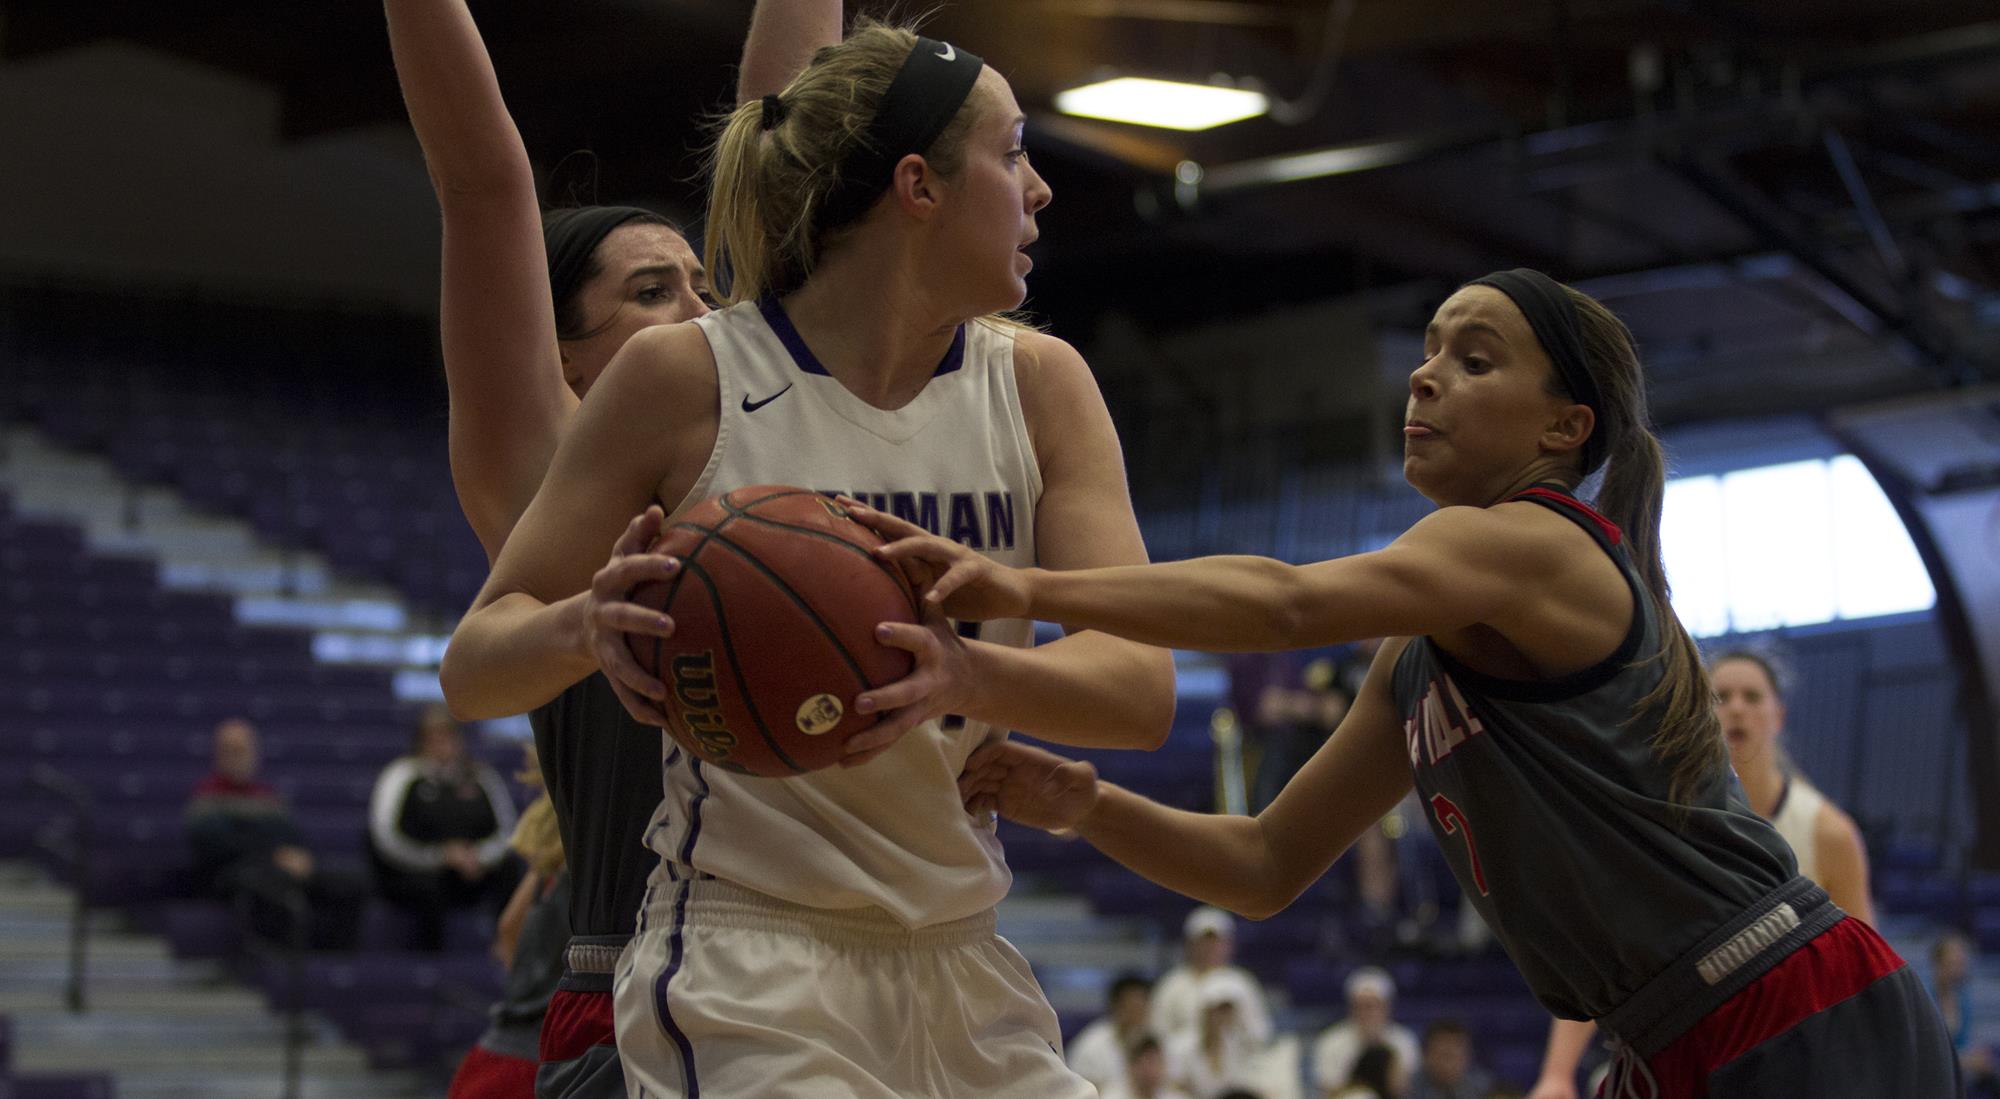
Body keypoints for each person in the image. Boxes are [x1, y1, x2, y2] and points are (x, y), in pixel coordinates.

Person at [882, 267, 1959, 1096]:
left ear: (1561, 429)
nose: (1424, 372)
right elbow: (1262, 863)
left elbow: (1284, 605)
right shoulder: (1418, 659)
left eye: (1475, 359)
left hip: (1782, 996)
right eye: (1428, 348)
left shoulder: (1533, 545)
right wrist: (1087, 804)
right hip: (1666, 1029)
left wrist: (1027, 583)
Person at [439, 20, 1177, 1097]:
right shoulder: (685, 379)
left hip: (963, 950)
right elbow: (473, 665)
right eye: (1013, 152)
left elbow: (1139, 690)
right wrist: (581, 627)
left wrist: (970, 673)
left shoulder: (1041, 385)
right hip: (749, 960)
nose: (1042, 189)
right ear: (917, 186)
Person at [384, 0, 837, 1091]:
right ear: (568, 366)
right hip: (636, 986)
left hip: (833, 976)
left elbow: (787, 139)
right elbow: (483, 184)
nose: (699, 307)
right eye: (649, 292)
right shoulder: (549, 481)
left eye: (701, 282)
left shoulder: (784, 435)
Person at [1524, 646, 1878, 1097]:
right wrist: (1556, 1074)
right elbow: (1613, 952)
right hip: (1684, 1047)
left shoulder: (1829, 833)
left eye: (1752, 697)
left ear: (1778, 716)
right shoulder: (1662, 819)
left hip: (1793, 1057)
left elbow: (1866, 975)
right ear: (1696, 711)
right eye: (1721, 696)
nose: (1736, 709)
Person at [446, 748, 572, 1099]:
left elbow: (506, 935)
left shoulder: (551, 856)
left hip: (503, 1057)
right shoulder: (595, 854)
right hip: (540, 1065)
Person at [183, 717, 363, 950]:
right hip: (237, 874)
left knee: (349, 884)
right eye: (232, 750)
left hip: (280, 866)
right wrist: (273, 855)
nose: (240, 757)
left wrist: (301, 856)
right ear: (218, 755)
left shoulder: (268, 797)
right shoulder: (206, 798)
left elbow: (292, 835)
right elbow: (217, 845)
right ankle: (275, 961)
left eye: (245, 750)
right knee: (272, 888)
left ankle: (331, 959)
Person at [367, 704, 522, 951]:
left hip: (473, 867)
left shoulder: (480, 775)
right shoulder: (402, 774)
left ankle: (508, 947)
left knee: (512, 869)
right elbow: (384, 835)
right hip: (417, 869)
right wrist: (440, 856)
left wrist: (479, 856)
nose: (441, 745)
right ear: (420, 741)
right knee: (428, 888)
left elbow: (508, 831)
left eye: (447, 736)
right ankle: (430, 961)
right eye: (433, 738)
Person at [1152, 907, 1274, 1051]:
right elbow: (1157, 1032)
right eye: (1203, 941)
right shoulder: (1172, 984)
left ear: (1229, 945)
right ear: (1189, 944)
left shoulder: (1242, 982)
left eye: (1216, 941)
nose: (1210, 947)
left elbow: (1260, 1033)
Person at [1311, 968, 1418, 1098]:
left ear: (1387, 1006)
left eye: (1373, 1005)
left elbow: (1405, 1087)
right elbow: (1328, 1088)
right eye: (1360, 1006)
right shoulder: (1330, 1041)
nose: (1367, 1013)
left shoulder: (1404, 1040)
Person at [1166, 971, 1262, 1099]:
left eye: (1229, 1010)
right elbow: (1173, 1089)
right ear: (1206, 1011)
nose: (1224, 1016)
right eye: (1220, 1010)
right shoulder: (1180, 1046)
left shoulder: (1237, 1046)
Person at [1069, 972, 1157, 1094]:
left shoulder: (1155, 1040)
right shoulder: (1091, 1045)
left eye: (1143, 1005)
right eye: (1133, 1005)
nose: (1138, 1011)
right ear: (1116, 1006)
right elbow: (1079, 1091)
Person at [1407, 1021, 1490, 1099]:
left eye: (1456, 1056)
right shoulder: (1407, 1088)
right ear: (1426, 1055)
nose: (1449, 1064)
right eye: (1444, 1055)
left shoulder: (1483, 1088)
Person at [1103, 1036, 1196, 1099]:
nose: (1151, 1070)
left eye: (1155, 1062)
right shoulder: (1112, 1096)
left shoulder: (1177, 1097)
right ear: (1131, 1067)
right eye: (1145, 1063)